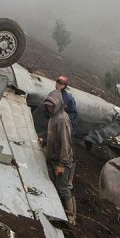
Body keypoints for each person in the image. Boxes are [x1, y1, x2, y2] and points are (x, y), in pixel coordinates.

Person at [43, 90, 77, 225]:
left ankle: (71, 217)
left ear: (57, 104)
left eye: (51, 105)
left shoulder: (62, 120)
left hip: (62, 160)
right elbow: (54, 136)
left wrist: (62, 164)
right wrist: (45, 142)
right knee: (63, 186)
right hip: (55, 157)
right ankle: (67, 211)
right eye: (47, 105)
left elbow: (65, 144)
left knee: (63, 188)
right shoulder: (54, 117)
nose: (48, 108)